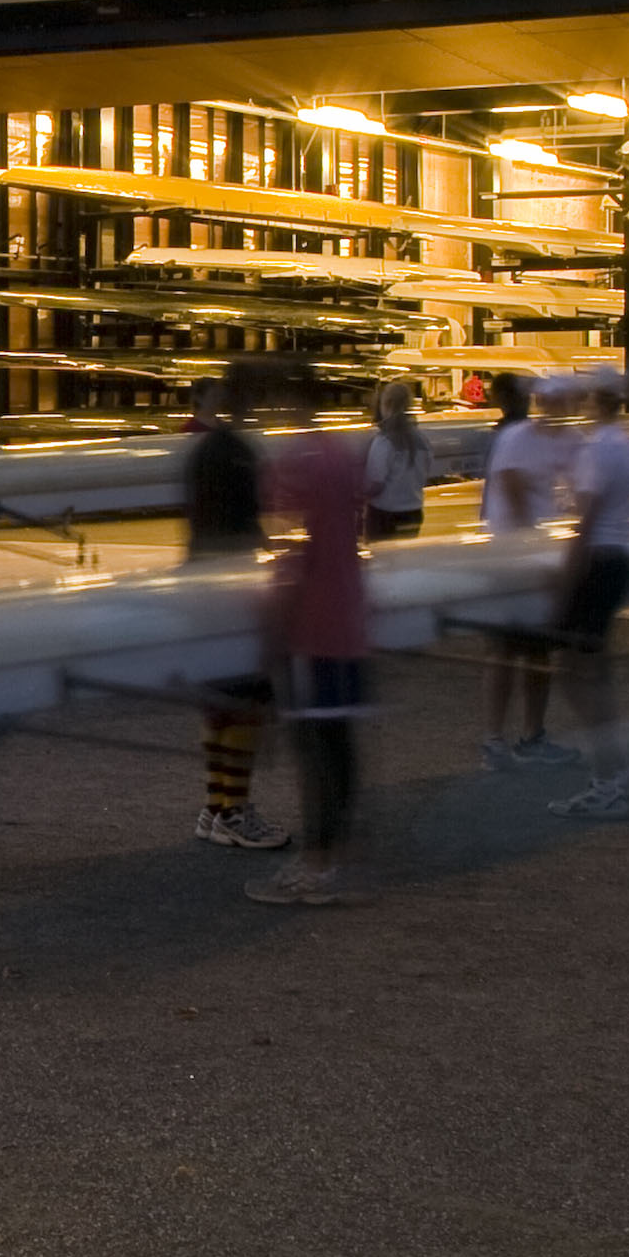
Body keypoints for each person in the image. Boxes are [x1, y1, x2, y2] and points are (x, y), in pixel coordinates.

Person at [249, 417, 374, 906]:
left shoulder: (295, 463)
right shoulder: (343, 455)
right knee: (340, 747)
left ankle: (316, 867)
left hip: (312, 627)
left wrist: (272, 638)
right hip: (348, 620)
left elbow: (291, 555)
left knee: (314, 751)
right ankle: (334, 856)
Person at [183, 395, 286, 852]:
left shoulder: (203, 449)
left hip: (199, 578)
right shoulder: (240, 453)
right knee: (249, 698)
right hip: (234, 582)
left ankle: (215, 804)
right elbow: (250, 519)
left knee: (217, 702)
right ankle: (233, 810)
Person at [548, 374, 629, 820]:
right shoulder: (627, 447)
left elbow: (584, 523)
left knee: (576, 674)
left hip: (598, 563)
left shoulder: (598, 449)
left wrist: (564, 585)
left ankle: (613, 776)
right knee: (591, 672)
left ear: (596, 401)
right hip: (620, 559)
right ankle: (614, 775)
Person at [478, 377, 571, 768]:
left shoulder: (552, 439)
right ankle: (499, 738)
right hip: (515, 558)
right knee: (509, 650)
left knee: (533, 650)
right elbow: (515, 497)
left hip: (533, 556)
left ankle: (528, 734)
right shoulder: (518, 439)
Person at [364, 378, 430, 545]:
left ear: (386, 405)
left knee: (382, 564)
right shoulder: (422, 440)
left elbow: (375, 482)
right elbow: (426, 472)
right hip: (413, 511)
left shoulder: (384, 440)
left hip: (385, 514)